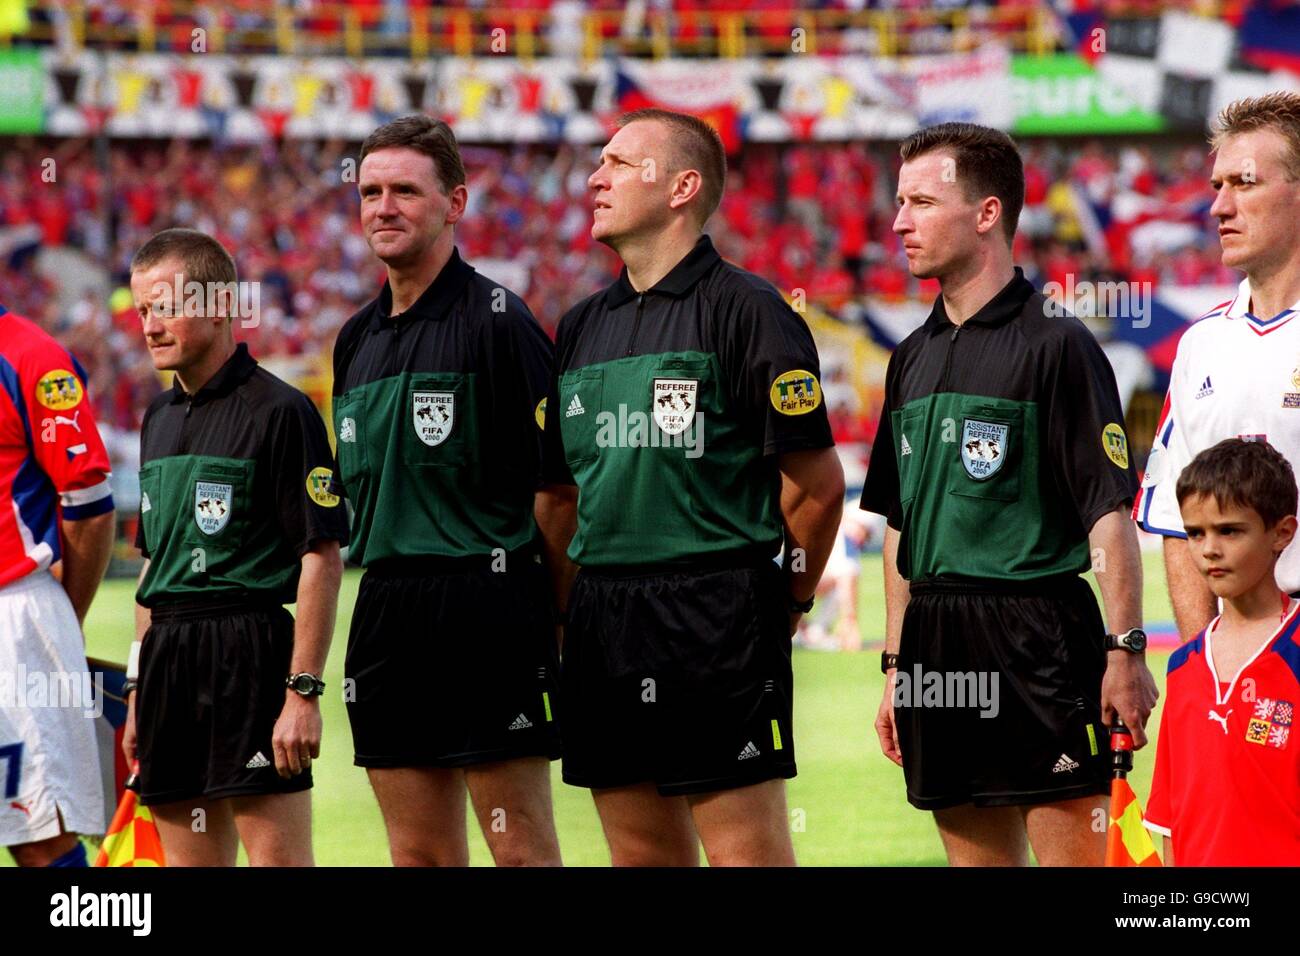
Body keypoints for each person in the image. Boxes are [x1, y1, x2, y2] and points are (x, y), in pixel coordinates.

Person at [535, 108, 845, 867]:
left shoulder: (749, 310)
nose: (594, 177)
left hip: (716, 612)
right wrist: (569, 615)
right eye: (597, 161)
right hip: (606, 618)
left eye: (617, 162)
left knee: (748, 857)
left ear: (681, 187)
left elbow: (816, 486)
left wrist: (790, 601)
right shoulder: (579, 326)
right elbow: (560, 496)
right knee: (639, 859)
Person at [860, 122, 1159, 866]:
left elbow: (1108, 513)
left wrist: (1124, 652)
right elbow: (901, 526)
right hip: (933, 639)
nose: (899, 222)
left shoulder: (1058, 344)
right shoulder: (910, 357)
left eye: (922, 202)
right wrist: (898, 667)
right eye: (900, 202)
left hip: (1038, 633)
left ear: (987, 214)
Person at [332, 115, 562, 867]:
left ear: (455, 203)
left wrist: (550, 615)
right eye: (370, 191)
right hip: (387, 609)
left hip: (486, 605)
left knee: (517, 849)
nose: (383, 207)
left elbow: (556, 486)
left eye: (405, 190)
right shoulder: (355, 338)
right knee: (419, 857)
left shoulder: (499, 321)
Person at [123, 228, 349, 866]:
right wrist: (139, 692)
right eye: (142, 310)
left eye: (164, 306)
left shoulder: (280, 411)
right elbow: (150, 569)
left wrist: (302, 692)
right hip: (168, 658)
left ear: (220, 304)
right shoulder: (156, 420)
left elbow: (320, 557)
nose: (150, 325)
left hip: (248, 652)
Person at [1134, 93, 1300, 640]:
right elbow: (1177, 520)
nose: (1219, 207)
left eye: (1244, 183)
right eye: (1217, 186)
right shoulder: (1201, 344)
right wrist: (1197, 659)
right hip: (1235, 653)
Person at [1143, 438, 1300, 865]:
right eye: (1195, 533)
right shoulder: (1183, 666)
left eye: (1228, 530)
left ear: (1282, 532)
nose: (1209, 548)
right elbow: (1170, 823)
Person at [0, 308, 116, 867]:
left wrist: (66, 615)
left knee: (36, 830)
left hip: (12, 616)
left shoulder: (30, 354)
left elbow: (89, 507)